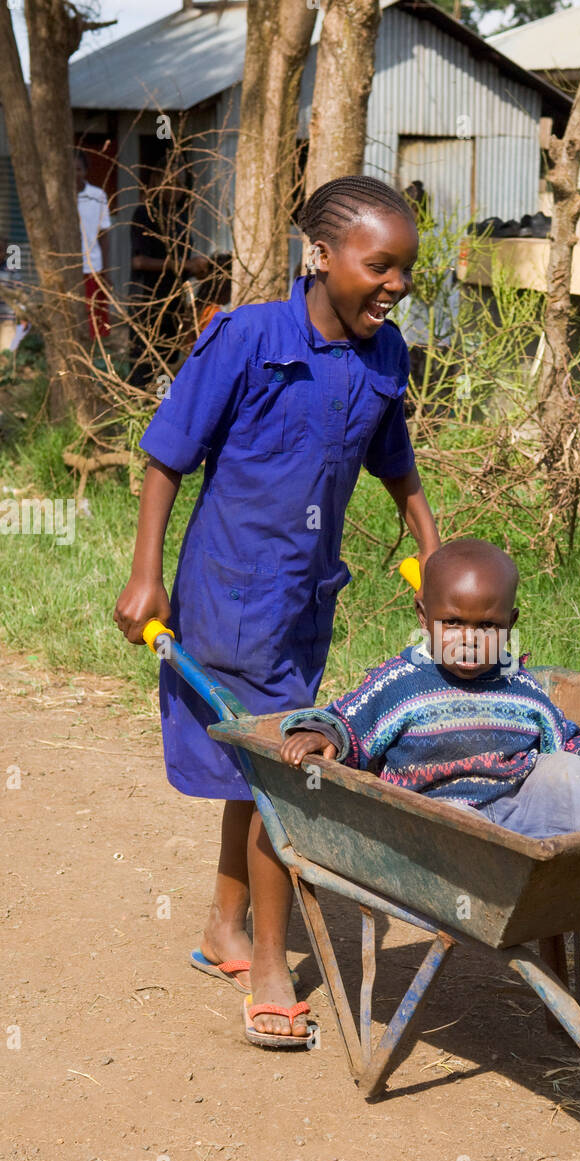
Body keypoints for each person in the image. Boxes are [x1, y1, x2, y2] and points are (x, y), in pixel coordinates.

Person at [114, 175, 440, 1047]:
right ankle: (267, 959)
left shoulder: (385, 356)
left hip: (305, 596)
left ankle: (224, 925)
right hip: (229, 590)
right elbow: (165, 456)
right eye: (380, 265)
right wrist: (145, 574)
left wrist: (430, 547)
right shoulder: (247, 339)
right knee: (278, 774)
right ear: (322, 256)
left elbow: (393, 456)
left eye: (406, 269)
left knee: (257, 766)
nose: (397, 285)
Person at [280, 539, 580, 836]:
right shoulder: (402, 682)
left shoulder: (516, 682)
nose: (468, 637)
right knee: (464, 831)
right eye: (454, 623)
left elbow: (563, 740)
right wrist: (320, 732)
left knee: (563, 771)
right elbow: (348, 722)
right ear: (424, 617)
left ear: (510, 624)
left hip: (520, 804)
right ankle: (500, 869)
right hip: (440, 816)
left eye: (487, 626)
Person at [127, 161, 210, 386]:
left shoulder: (181, 217)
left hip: (173, 303)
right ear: (156, 183)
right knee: (144, 363)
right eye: (170, 183)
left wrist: (198, 269)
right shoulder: (145, 213)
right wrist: (186, 266)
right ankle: (138, 409)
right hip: (148, 302)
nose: (176, 189)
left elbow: (181, 264)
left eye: (180, 184)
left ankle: (161, 412)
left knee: (169, 361)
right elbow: (139, 261)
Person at [74, 150, 112, 341]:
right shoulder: (60, 198)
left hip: (93, 266)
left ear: (86, 171)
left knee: (96, 319)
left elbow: (104, 234)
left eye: (79, 169)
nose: (75, 174)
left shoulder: (97, 196)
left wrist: (105, 270)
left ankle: (98, 355)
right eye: (71, 170)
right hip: (70, 268)